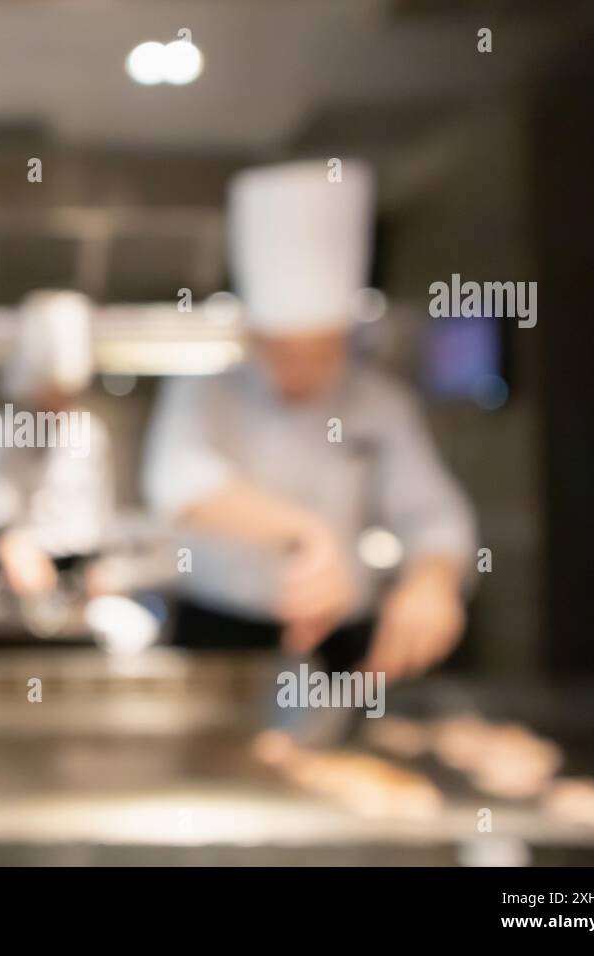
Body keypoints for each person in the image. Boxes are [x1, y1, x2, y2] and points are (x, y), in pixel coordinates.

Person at [142, 159, 475, 680]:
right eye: (280, 350)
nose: (298, 371)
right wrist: (307, 532)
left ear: (345, 335)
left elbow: (436, 518)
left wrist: (432, 583)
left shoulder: (382, 403)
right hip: (218, 632)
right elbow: (180, 484)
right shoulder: (203, 392)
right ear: (252, 336)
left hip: (340, 640)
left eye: (318, 351)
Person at [0, 290, 114, 602]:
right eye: (47, 397)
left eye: (66, 398)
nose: (55, 411)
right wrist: (7, 543)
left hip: (64, 592)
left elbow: (96, 523)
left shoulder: (89, 435)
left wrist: (98, 574)